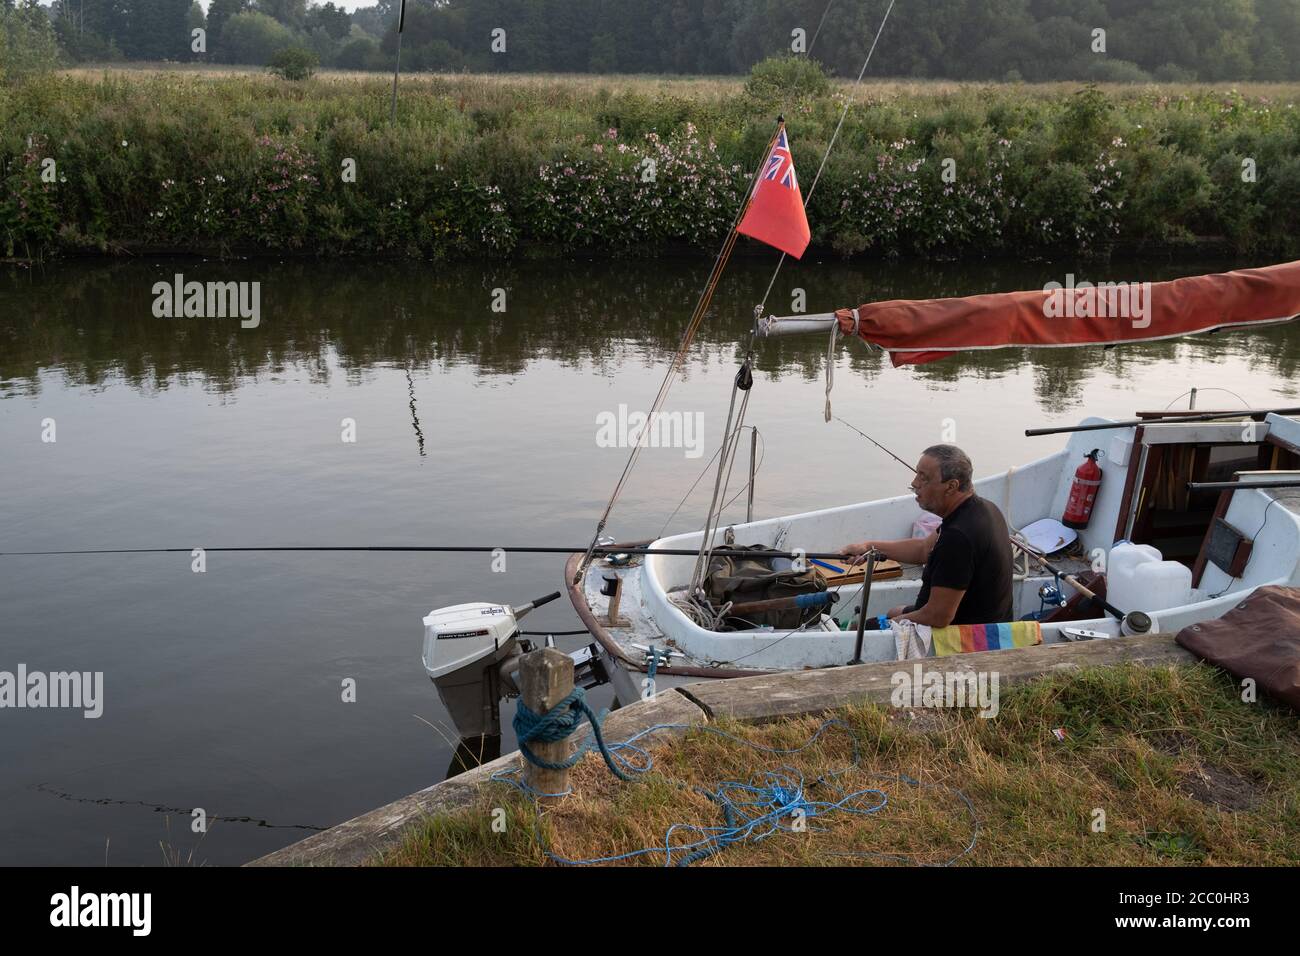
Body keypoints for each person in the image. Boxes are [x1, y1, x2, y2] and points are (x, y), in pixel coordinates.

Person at [839, 444, 1013, 628]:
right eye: (917, 474)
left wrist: (888, 626)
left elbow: (938, 617)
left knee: (863, 629)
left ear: (951, 486)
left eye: (924, 478)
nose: (914, 483)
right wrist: (868, 547)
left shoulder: (958, 538)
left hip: (968, 635)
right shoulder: (983, 508)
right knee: (892, 611)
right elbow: (923, 549)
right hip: (975, 617)